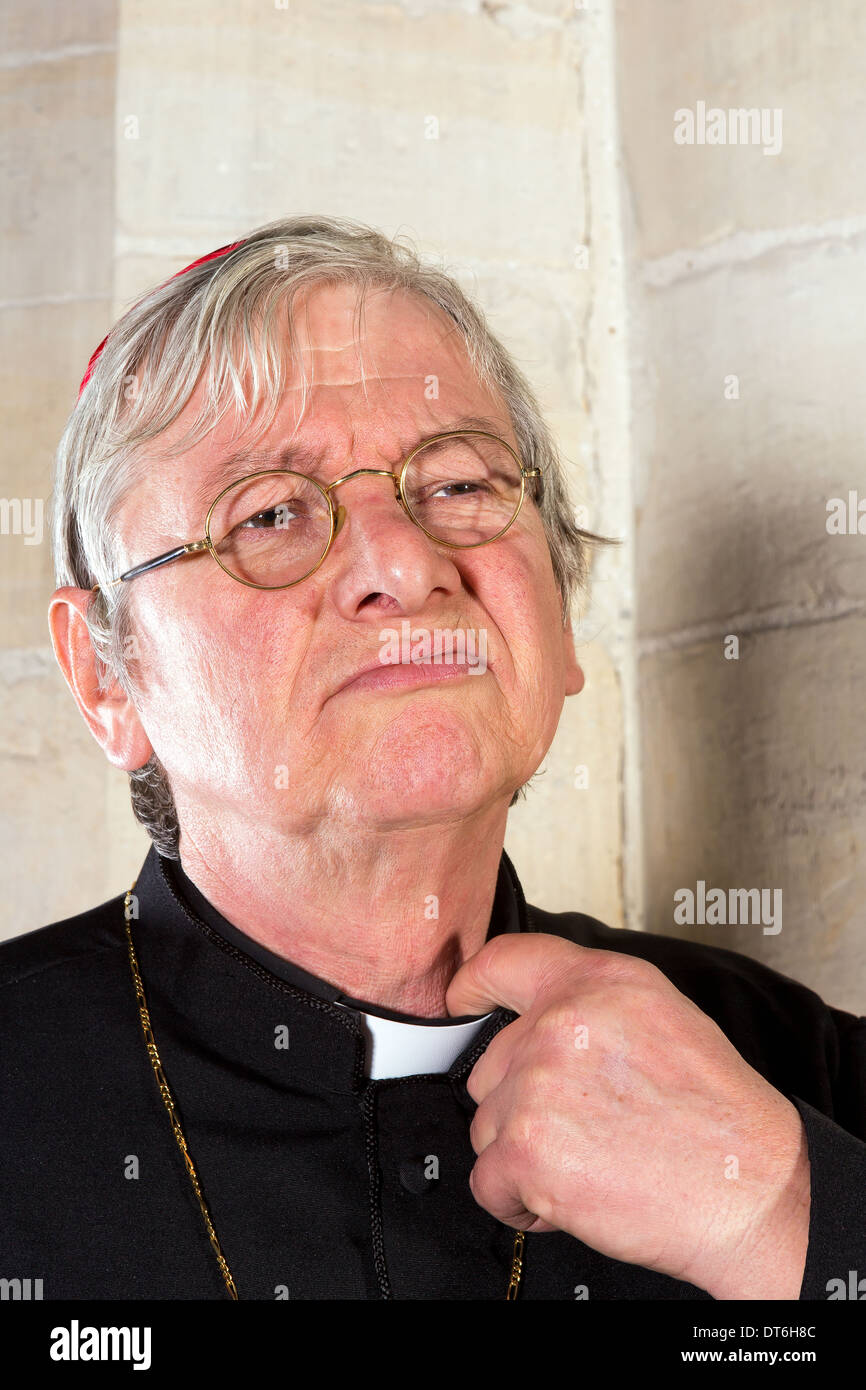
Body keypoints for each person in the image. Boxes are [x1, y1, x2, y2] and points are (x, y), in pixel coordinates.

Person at [2, 216, 863, 1301]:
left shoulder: (786, 1067)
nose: (404, 565)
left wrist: (780, 1215)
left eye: (457, 486)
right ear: (105, 678)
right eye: (269, 512)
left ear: (556, 625)